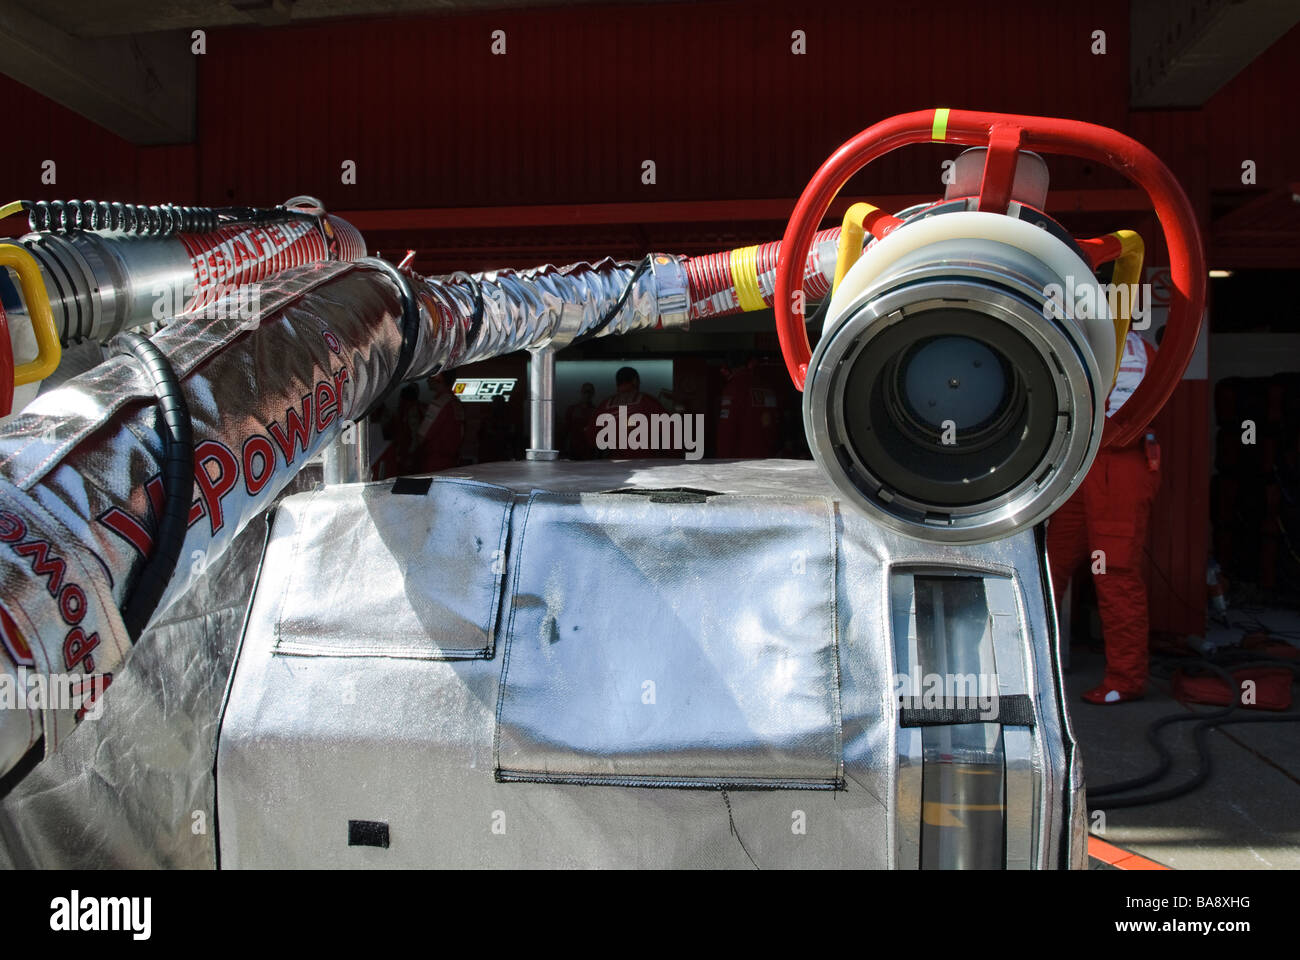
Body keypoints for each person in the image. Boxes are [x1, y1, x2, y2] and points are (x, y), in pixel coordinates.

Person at [1047, 331, 1162, 704]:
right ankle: (1036, 674)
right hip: (1077, 464)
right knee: (1048, 568)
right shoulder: (1073, 333)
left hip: (1118, 465)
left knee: (1114, 573)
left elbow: (1123, 420)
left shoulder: (1136, 350)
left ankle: (1125, 680)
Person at [585, 366, 668, 459]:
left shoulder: (604, 405)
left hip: (614, 464)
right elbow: (670, 432)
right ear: (635, 381)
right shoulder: (648, 402)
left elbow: (591, 437)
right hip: (645, 461)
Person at [409, 373, 465, 473]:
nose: (427, 381)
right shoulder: (455, 401)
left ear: (439, 379)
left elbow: (421, 436)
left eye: (430, 377)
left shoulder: (439, 403)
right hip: (451, 461)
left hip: (435, 463)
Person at [562, 382, 599, 459]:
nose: (587, 394)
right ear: (581, 392)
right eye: (585, 392)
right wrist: (563, 449)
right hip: (574, 450)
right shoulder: (572, 410)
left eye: (590, 392)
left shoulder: (596, 411)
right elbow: (565, 431)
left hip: (590, 451)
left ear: (593, 394)